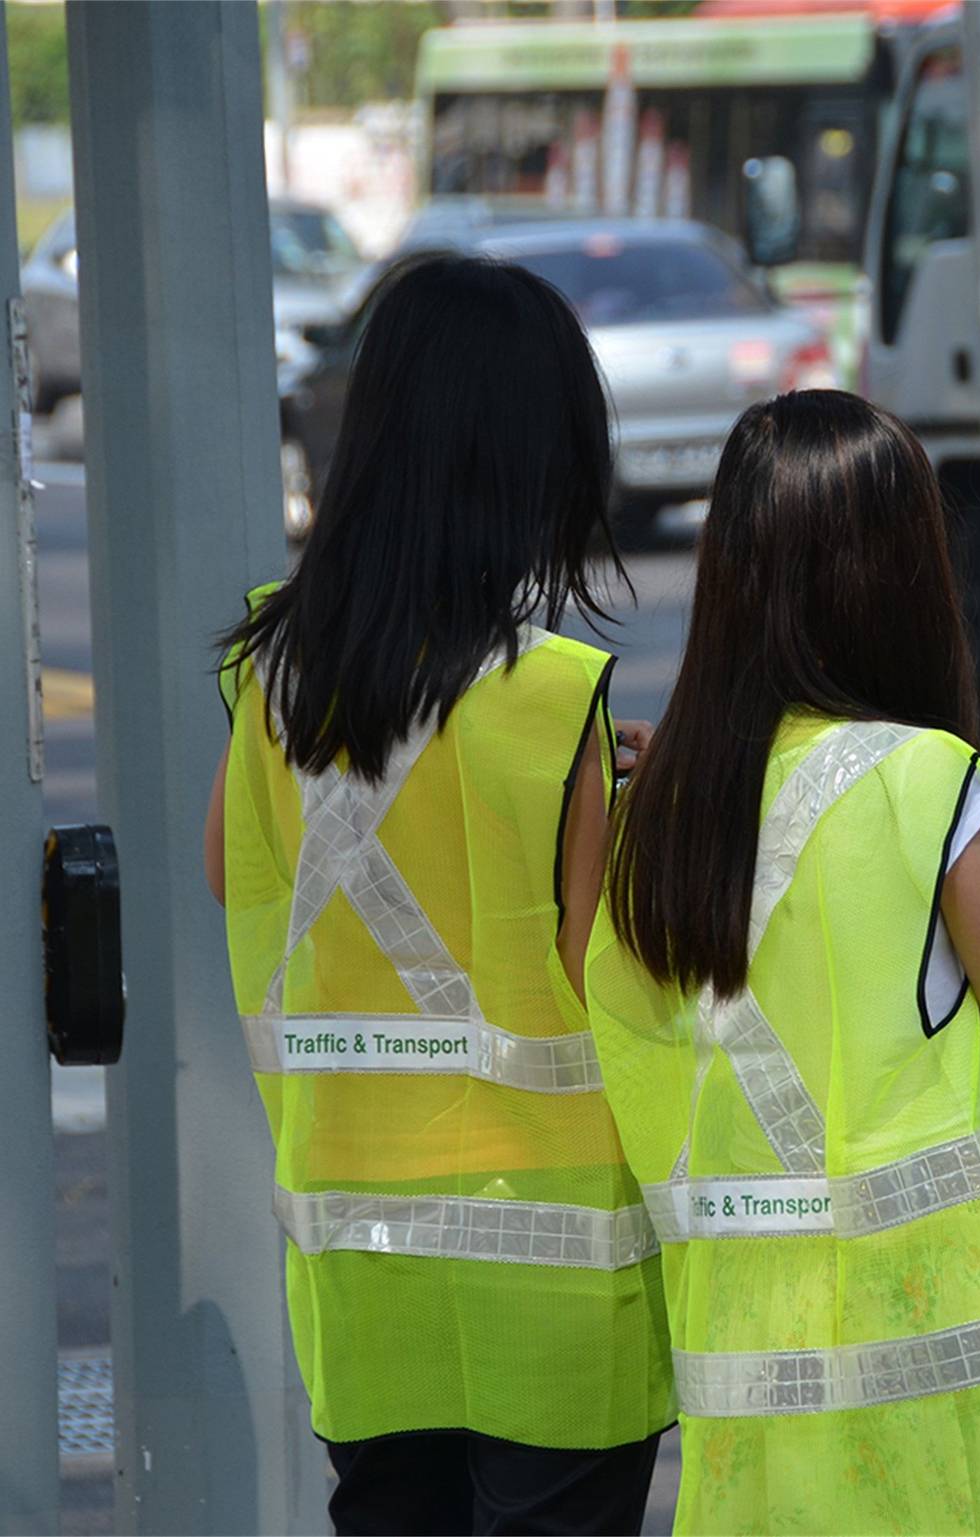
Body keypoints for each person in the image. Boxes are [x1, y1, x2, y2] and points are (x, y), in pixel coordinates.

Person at [585, 391, 980, 1536]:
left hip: (751, 1380)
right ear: (899, 575)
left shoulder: (660, 802)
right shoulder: (922, 777)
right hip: (932, 1379)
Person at [203, 254, 673, 1537]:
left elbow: (231, 867)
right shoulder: (548, 694)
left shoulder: (275, 670)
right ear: (525, 465)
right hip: (554, 1274)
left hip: (363, 1261)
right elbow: (606, 972)